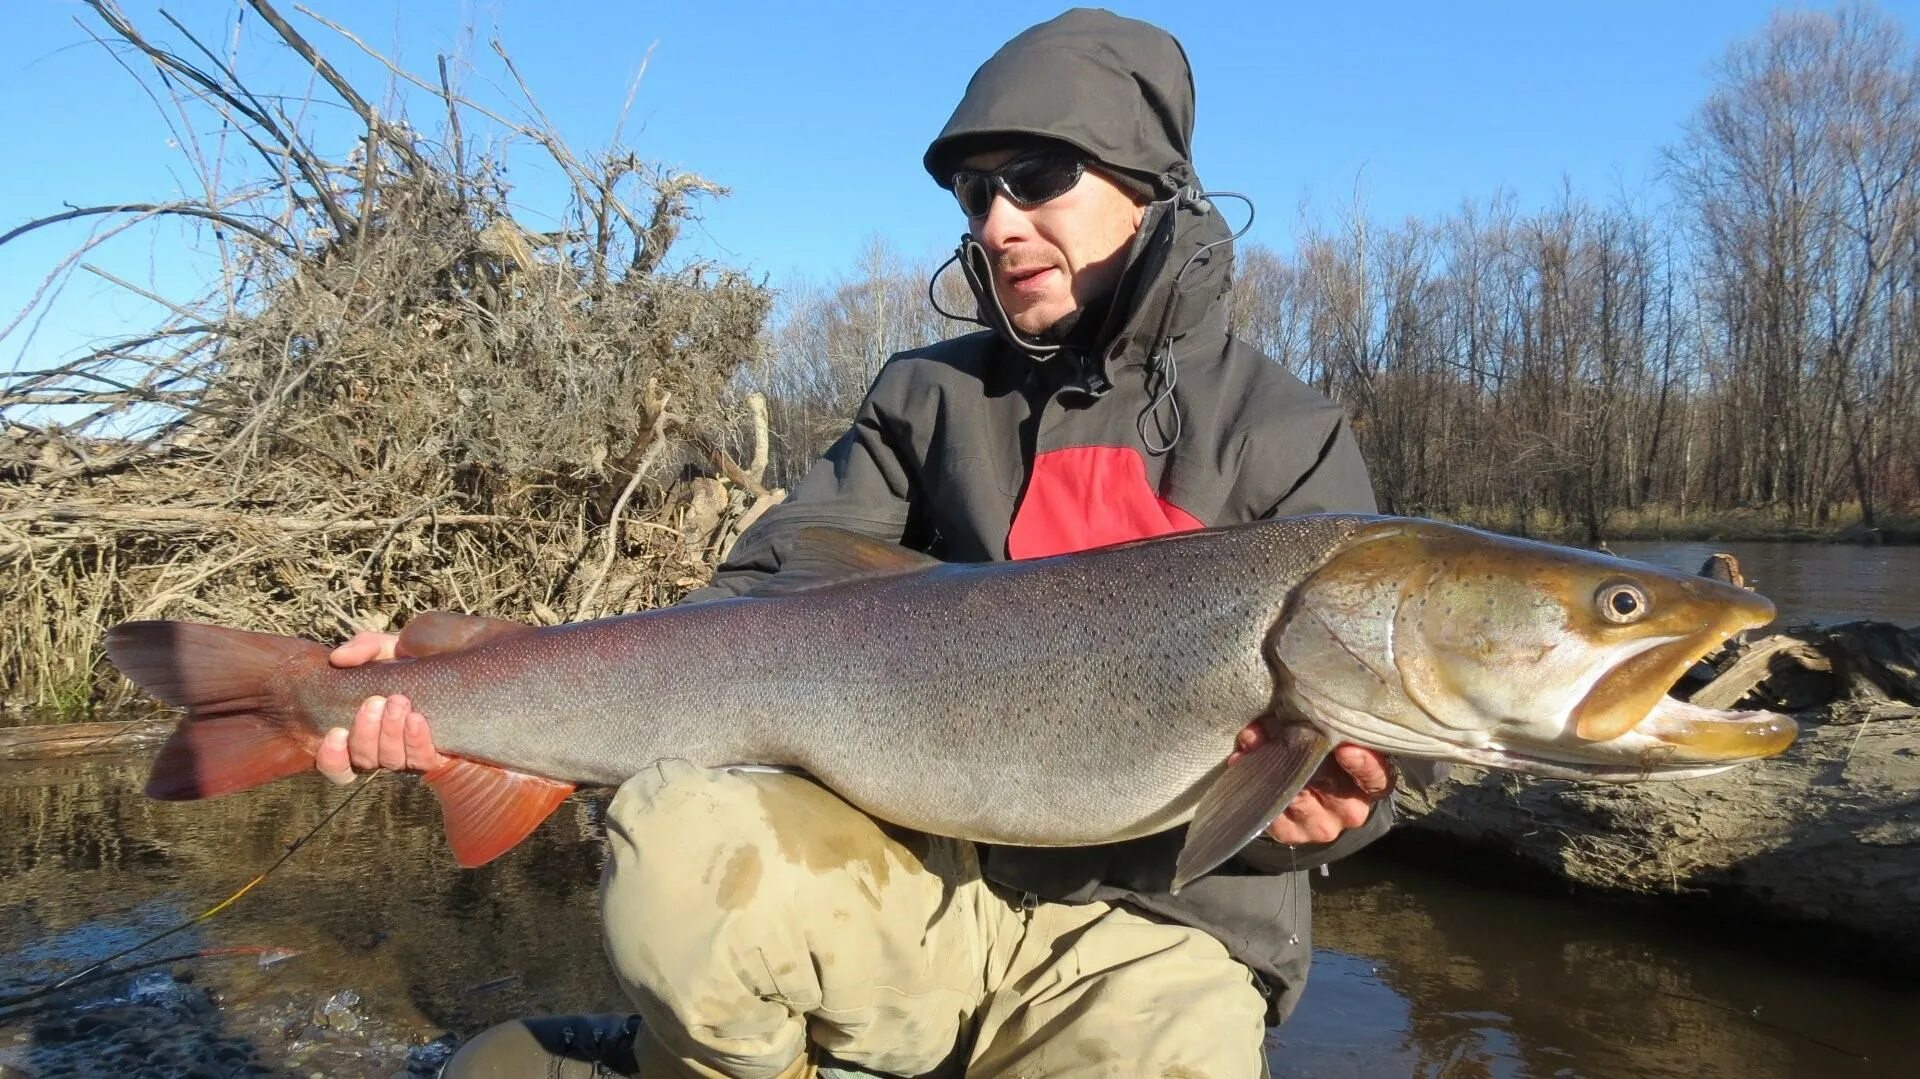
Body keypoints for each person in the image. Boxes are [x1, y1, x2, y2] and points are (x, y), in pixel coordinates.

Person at [323, 9, 1398, 1076]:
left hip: (1169, 930)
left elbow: (1384, 773)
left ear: (1151, 183)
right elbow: (745, 612)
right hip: (924, 890)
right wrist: (470, 676)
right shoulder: (923, 397)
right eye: (976, 193)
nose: (998, 224)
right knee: (677, 845)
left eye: (1037, 177)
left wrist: (1339, 815)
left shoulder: (1285, 435)